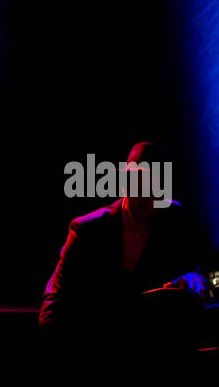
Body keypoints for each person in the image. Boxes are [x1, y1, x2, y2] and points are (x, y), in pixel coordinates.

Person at [38, 141, 208, 349]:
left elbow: (193, 267)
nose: (146, 194)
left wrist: (192, 277)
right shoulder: (88, 229)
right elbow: (55, 300)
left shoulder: (174, 218)